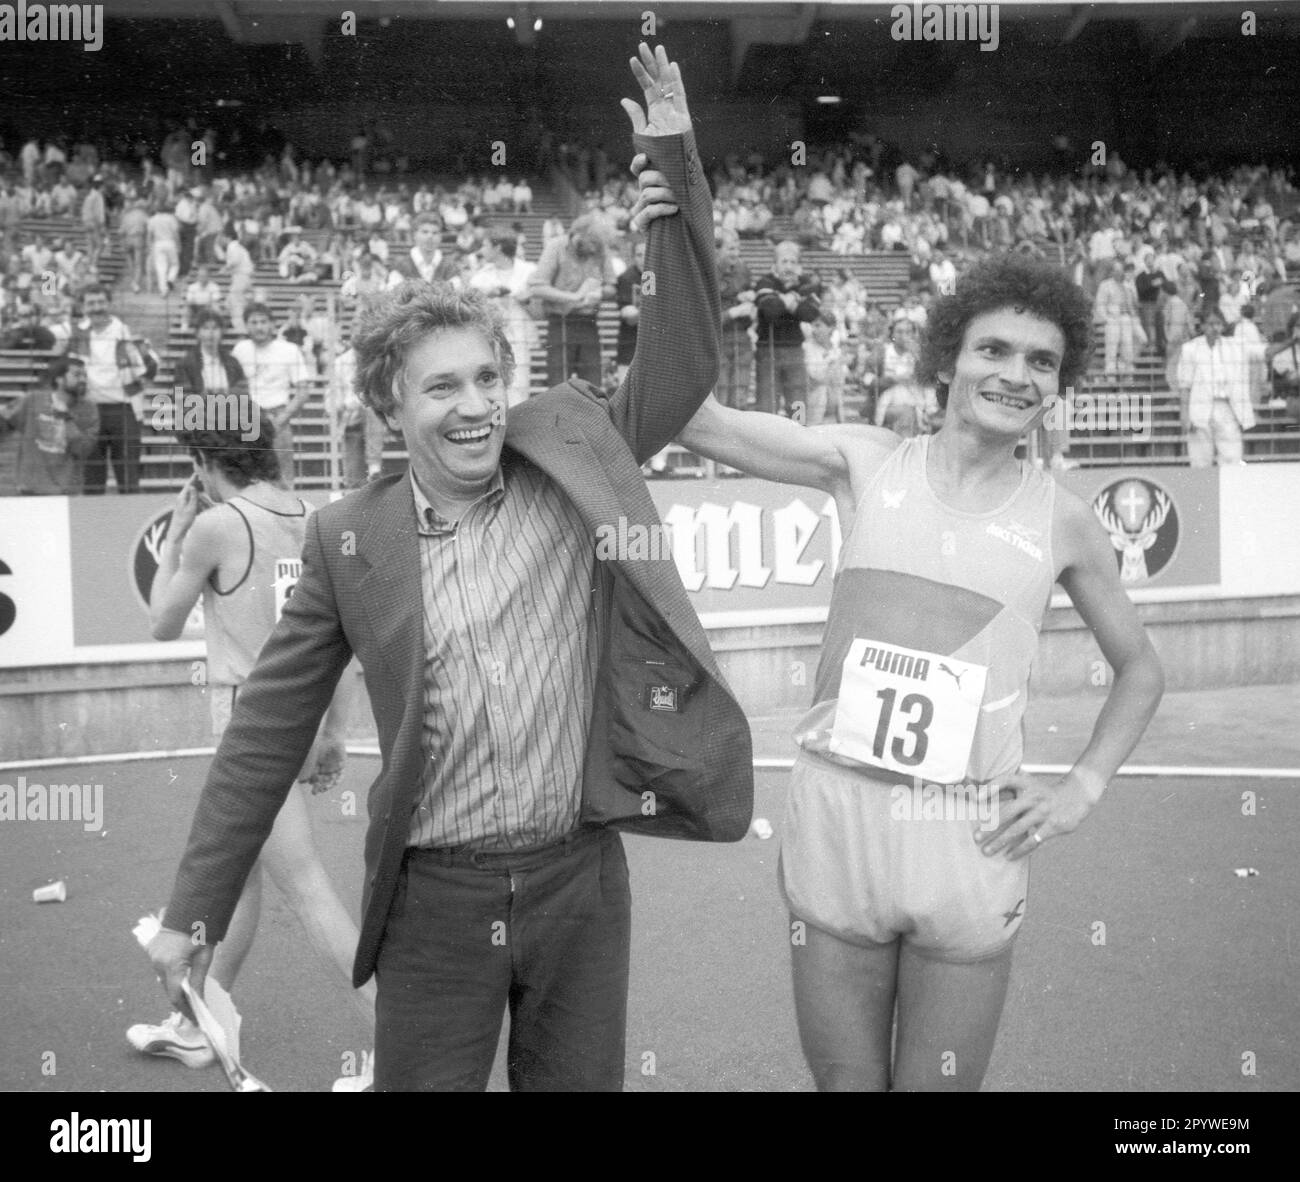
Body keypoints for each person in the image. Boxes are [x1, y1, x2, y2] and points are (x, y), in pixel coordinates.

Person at [143, 43, 752, 1093]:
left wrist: (677, 175)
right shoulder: (345, 537)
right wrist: (195, 909)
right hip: (433, 903)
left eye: (486, 377)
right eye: (439, 389)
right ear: (388, 408)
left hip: (580, 887)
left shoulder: (568, 448)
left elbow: (688, 359)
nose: (473, 406)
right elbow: (263, 734)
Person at [678, 252, 1165, 1091]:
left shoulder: (1068, 524)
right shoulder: (864, 462)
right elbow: (700, 423)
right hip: (840, 823)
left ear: (1058, 385)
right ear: (947, 359)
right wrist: (676, 242)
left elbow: (1141, 669)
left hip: (969, 837)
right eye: (994, 350)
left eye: (1041, 362)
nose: (1015, 375)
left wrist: (1080, 787)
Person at [127, 418, 375, 1091]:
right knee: (237, 882)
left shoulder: (215, 527)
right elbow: (345, 644)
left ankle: (398, 1042)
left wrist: (177, 532)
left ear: (207, 462)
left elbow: (161, 623)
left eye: (196, 465)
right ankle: (196, 1025)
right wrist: (333, 734)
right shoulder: (315, 517)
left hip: (251, 725)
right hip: (304, 712)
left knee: (307, 890)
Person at [1174, 306, 1292, 467]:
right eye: (1209, 324)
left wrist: (1292, 341)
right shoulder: (1190, 349)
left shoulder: (1237, 346)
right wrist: (1185, 414)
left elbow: (1266, 352)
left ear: (1222, 325)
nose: (1214, 328)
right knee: (1200, 461)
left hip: (1227, 408)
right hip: (1199, 408)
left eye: (1217, 324)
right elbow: (1184, 386)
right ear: (1201, 326)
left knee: (1231, 459)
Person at [66, 285, 150, 495]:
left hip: (123, 410)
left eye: (101, 302)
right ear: (83, 307)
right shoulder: (77, 334)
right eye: (91, 303)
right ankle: (93, 526)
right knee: (93, 480)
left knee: (129, 478)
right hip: (89, 412)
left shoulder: (123, 332)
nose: (96, 308)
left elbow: (144, 372)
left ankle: (132, 525)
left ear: (109, 304)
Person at [529, 212, 617, 388]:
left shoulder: (601, 250)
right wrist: (573, 298)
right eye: (591, 244)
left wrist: (599, 294)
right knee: (558, 382)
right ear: (578, 234)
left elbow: (612, 286)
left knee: (593, 383)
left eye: (598, 247)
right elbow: (537, 287)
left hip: (588, 322)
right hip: (560, 321)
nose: (594, 250)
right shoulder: (556, 246)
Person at [231, 304, 314, 488]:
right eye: (253, 322)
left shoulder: (289, 350)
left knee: (282, 481)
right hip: (248, 419)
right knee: (247, 481)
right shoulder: (239, 350)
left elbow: (303, 391)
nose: (259, 326)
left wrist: (279, 420)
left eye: (263, 321)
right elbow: (233, 388)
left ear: (272, 325)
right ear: (246, 326)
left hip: (278, 418)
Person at [0, 354, 98, 494]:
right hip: (30, 489)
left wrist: (66, 419)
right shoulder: (33, 400)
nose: (83, 379)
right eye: (77, 375)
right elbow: (3, 422)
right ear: (58, 379)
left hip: (67, 492)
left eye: (85, 375)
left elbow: (83, 450)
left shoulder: (89, 409)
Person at [468, 232, 537, 407]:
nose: (482, 250)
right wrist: (489, 294)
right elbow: (470, 301)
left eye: (485, 245)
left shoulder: (530, 271)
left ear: (497, 248)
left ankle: (518, 430)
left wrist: (526, 299)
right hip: (492, 340)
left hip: (520, 339)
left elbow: (540, 310)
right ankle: (500, 426)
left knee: (520, 387)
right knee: (498, 386)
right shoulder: (481, 276)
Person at [754, 240, 822, 416]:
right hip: (767, 350)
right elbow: (771, 311)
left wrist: (783, 299)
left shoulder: (806, 283)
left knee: (798, 401)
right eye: (784, 261)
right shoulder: (764, 282)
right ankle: (766, 442)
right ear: (775, 263)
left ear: (799, 265)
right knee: (767, 402)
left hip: (794, 349)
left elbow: (810, 313)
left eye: (793, 262)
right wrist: (795, 298)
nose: (789, 266)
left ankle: (798, 440)